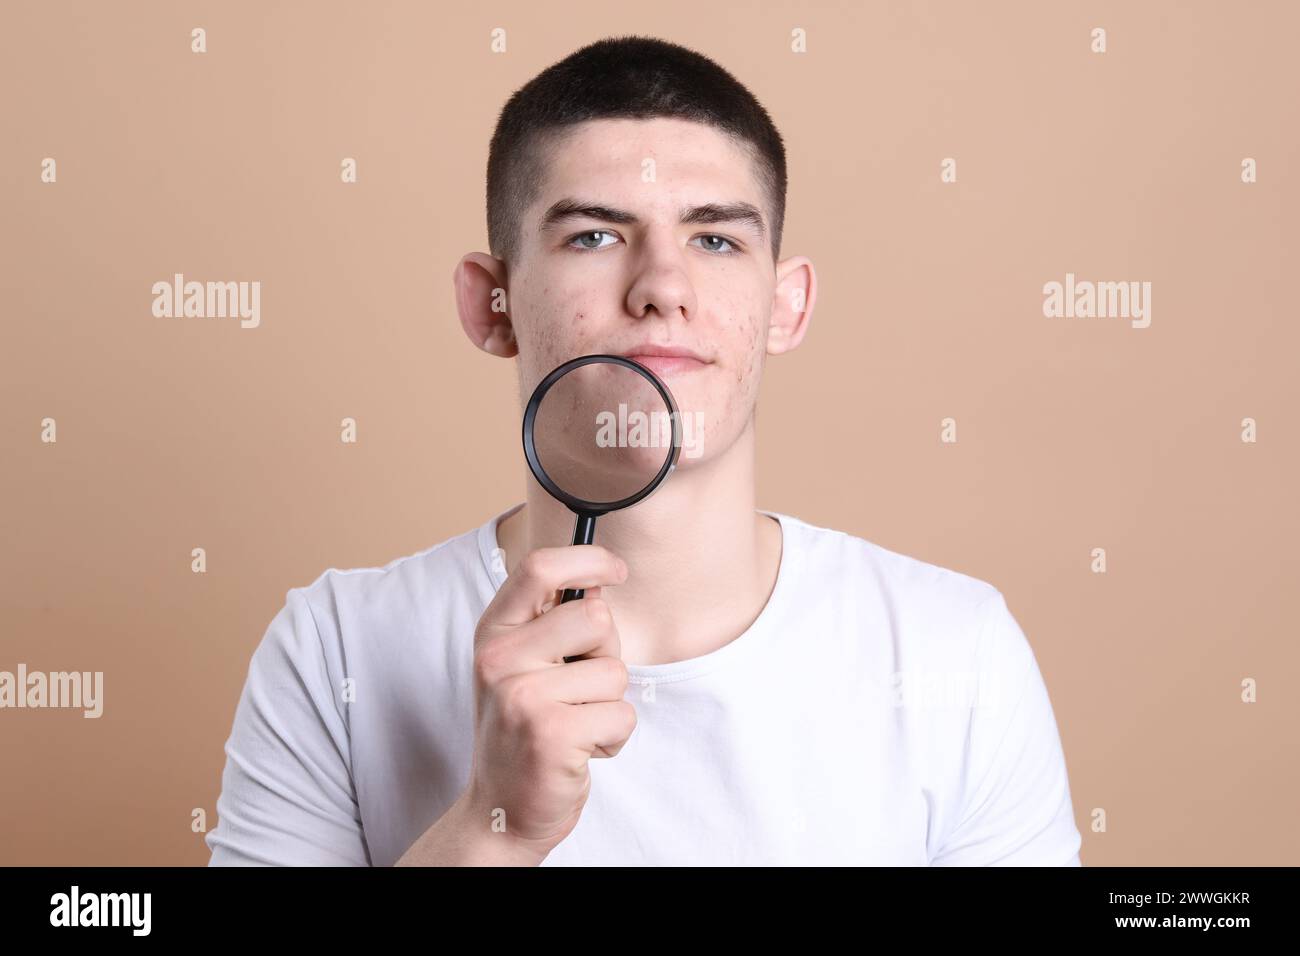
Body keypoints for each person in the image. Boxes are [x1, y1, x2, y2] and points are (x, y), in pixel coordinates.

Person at [206, 34, 1083, 866]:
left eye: (715, 238)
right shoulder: (336, 651)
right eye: (594, 235)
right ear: (491, 304)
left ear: (786, 306)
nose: (663, 286)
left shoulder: (953, 654)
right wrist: (492, 832)